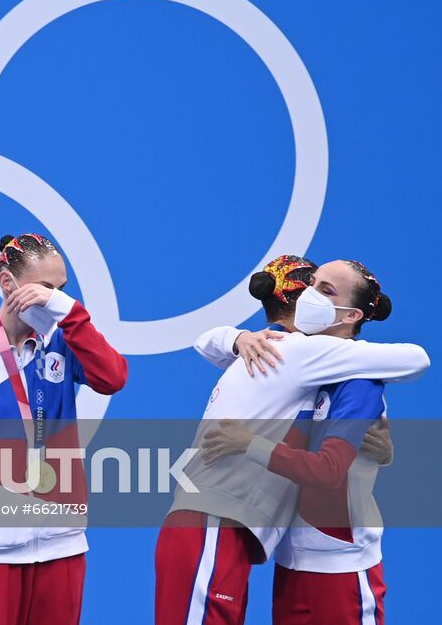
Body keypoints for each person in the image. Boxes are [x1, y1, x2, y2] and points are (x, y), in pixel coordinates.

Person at [155, 257, 426, 625]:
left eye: (325, 290)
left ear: (351, 315)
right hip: (255, 538)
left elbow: (417, 359)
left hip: (334, 559)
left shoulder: (335, 368)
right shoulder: (291, 353)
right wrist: (237, 338)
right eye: (310, 284)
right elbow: (210, 342)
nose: (310, 296)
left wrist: (235, 339)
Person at [0, 233, 128, 625]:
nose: (52, 299)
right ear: (6, 282)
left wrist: (71, 313)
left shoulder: (66, 341)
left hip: (61, 546)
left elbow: (113, 377)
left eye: (61, 290)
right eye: (44, 288)